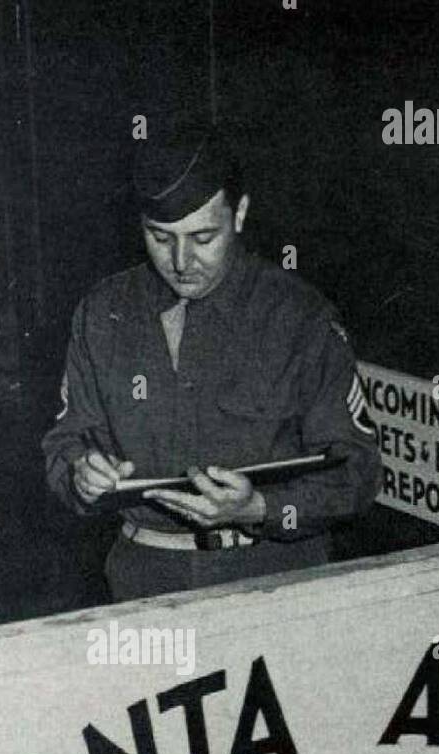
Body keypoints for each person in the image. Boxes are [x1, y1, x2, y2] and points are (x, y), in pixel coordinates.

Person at [43, 124, 382, 600]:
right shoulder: (103, 313)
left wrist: (260, 507)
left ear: (239, 214)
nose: (182, 261)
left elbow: (358, 472)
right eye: (160, 238)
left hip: (275, 579)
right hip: (145, 581)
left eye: (204, 237)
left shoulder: (299, 319)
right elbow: (64, 443)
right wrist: (81, 476)